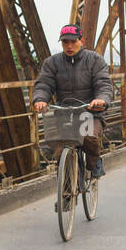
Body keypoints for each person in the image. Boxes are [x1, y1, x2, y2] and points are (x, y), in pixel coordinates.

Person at [32, 23, 113, 176]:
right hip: (65, 113)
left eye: (73, 41)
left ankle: (95, 162)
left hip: (90, 112)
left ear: (81, 41)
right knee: (60, 147)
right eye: (65, 42)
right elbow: (44, 84)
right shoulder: (52, 63)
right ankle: (66, 193)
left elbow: (104, 84)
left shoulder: (95, 60)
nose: (69, 46)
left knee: (89, 137)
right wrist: (40, 99)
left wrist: (101, 100)